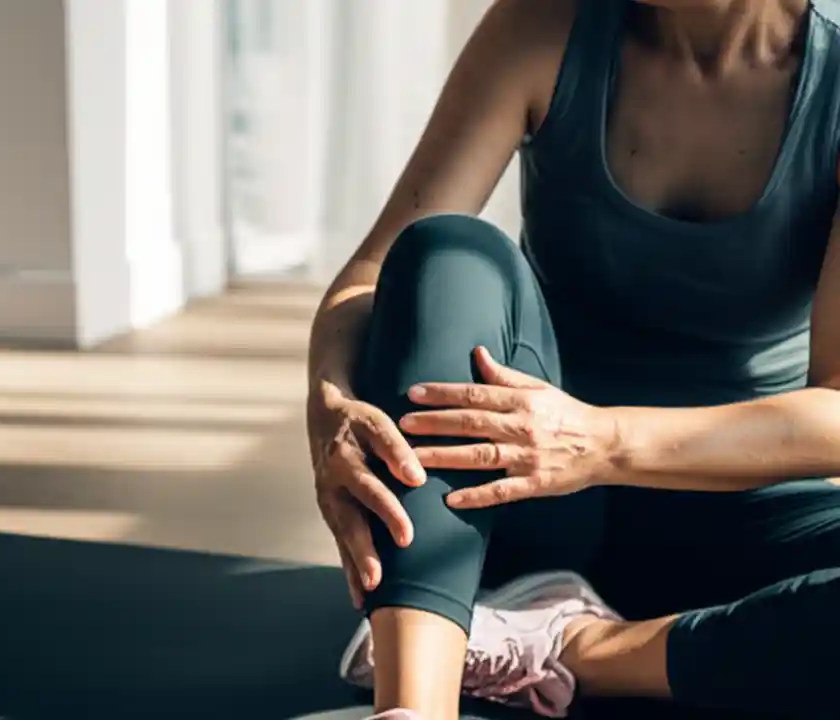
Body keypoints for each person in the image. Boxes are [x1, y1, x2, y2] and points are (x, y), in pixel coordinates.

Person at [305, 1, 840, 718]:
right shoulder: (543, 27)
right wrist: (331, 406)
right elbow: (374, 277)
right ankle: (414, 706)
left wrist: (601, 441)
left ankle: (573, 651)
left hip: (746, 501)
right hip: (528, 497)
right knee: (452, 252)